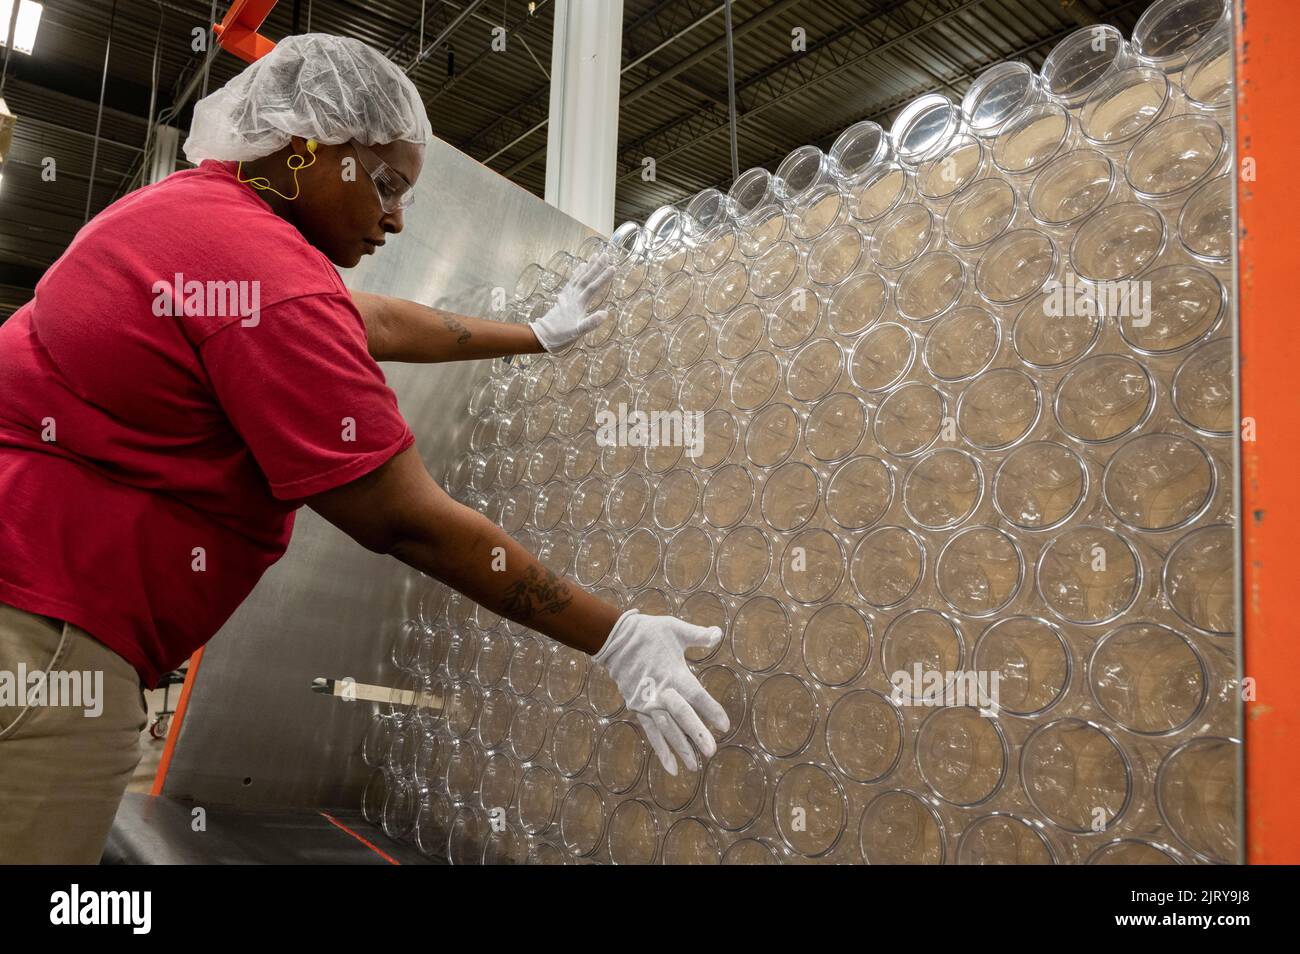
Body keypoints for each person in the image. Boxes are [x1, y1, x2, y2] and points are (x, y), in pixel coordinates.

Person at [0, 34, 728, 865]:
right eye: (383, 185)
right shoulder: (268, 279)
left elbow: (369, 319)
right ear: (305, 147)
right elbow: (403, 519)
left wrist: (538, 332)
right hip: (45, 638)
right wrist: (616, 636)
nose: (394, 216)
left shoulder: (192, 216)